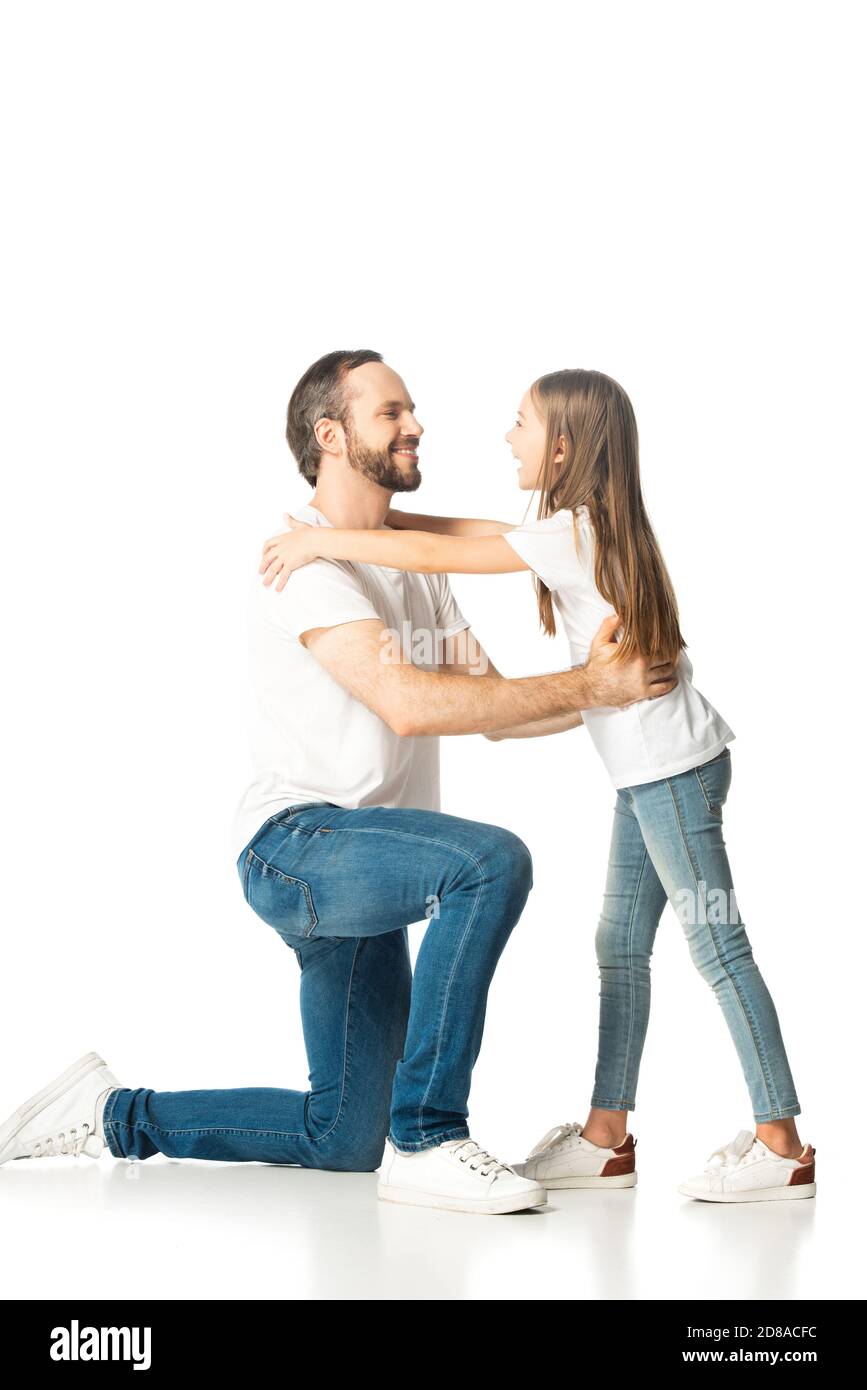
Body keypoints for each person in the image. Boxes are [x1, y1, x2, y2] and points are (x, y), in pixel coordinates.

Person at [0, 351, 678, 1216]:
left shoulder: (412, 561)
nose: (416, 425)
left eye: (413, 410)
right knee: (489, 861)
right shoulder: (303, 564)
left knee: (344, 1137)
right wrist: (591, 687)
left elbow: (494, 709)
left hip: (375, 863)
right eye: (391, 412)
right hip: (300, 849)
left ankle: (108, 1114)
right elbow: (405, 701)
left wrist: (609, 682)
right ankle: (429, 1135)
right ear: (332, 434)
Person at [261, 366, 815, 1205]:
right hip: (648, 775)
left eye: (519, 425)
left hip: (674, 775)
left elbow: (438, 549)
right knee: (618, 948)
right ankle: (605, 1137)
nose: (504, 437)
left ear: (560, 445)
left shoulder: (569, 534)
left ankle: (782, 1144)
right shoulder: (580, 525)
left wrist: (320, 540)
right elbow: (446, 530)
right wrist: (363, 526)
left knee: (716, 943)